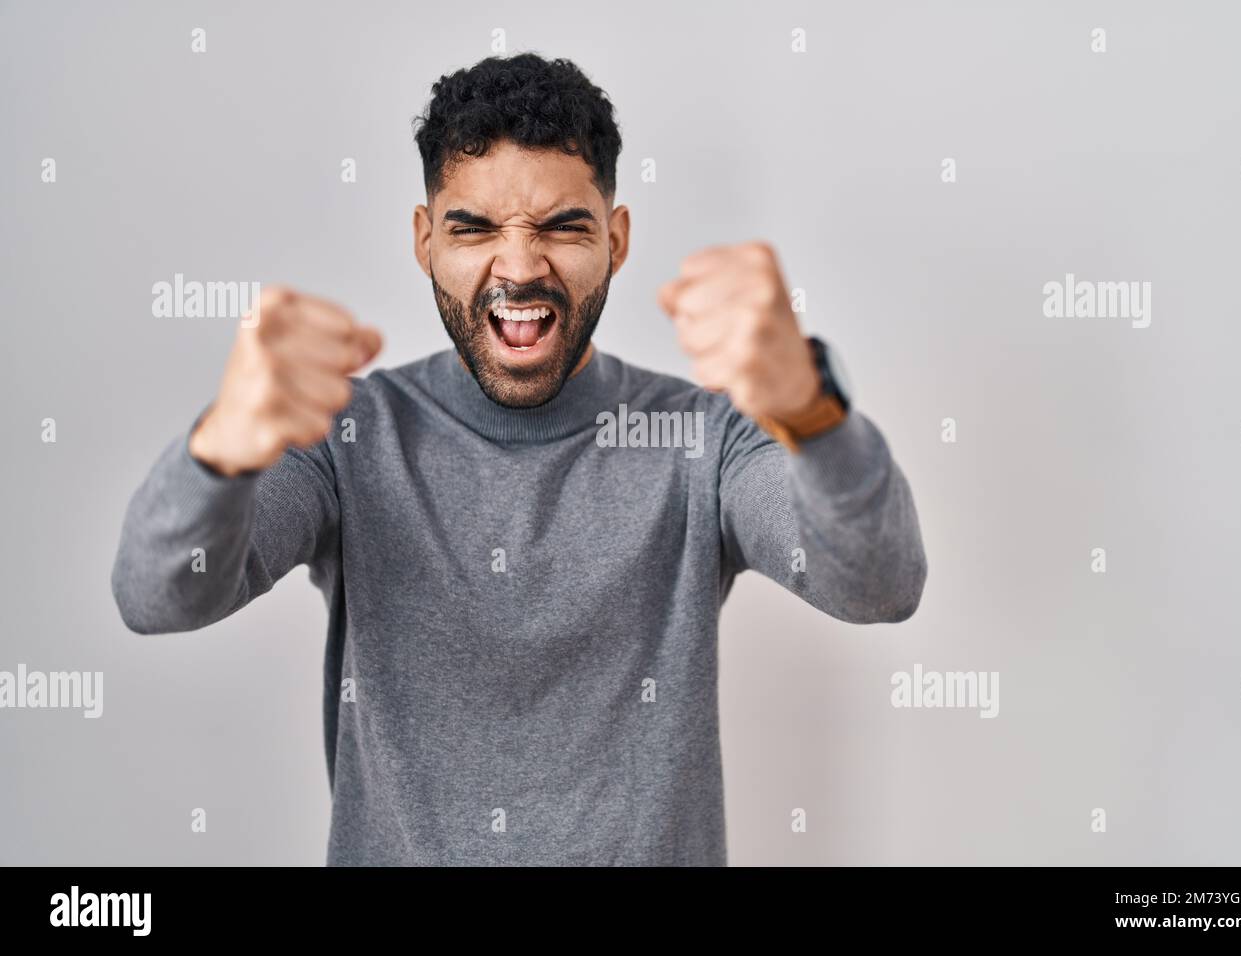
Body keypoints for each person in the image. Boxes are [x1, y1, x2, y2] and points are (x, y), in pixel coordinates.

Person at [110, 52, 928, 866]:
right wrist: (219, 449)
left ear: (616, 239)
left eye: (563, 227)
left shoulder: (703, 436)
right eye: (473, 228)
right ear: (426, 241)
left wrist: (810, 411)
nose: (519, 266)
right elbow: (155, 595)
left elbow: (879, 584)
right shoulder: (347, 431)